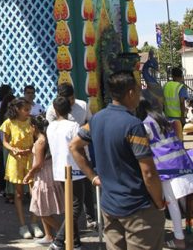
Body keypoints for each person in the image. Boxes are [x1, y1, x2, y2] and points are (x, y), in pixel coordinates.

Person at [70, 71, 165, 250]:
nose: (139, 95)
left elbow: (74, 146)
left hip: (110, 205)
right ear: (130, 93)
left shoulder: (97, 119)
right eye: (138, 91)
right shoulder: (133, 125)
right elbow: (149, 172)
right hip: (138, 208)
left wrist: (92, 177)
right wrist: (159, 202)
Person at [136, 98, 193, 249]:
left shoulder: (144, 125)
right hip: (184, 163)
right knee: (189, 205)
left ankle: (179, 239)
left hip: (167, 169)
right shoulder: (162, 119)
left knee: (172, 204)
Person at [45, 82, 96, 229]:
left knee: (86, 190)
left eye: (72, 98)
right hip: (64, 160)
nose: (71, 102)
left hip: (82, 156)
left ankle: (89, 218)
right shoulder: (52, 112)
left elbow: (90, 123)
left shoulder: (83, 106)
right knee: (73, 200)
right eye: (68, 99)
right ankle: (67, 235)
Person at [47, 96, 85, 249]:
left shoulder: (51, 126)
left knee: (70, 206)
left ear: (55, 110)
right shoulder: (73, 126)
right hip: (74, 169)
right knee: (76, 207)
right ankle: (59, 240)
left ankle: (74, 242)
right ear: (70, 108)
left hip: (59, 169)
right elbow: (80, 147)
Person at [1, 97, 39, 240]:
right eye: (26, 110)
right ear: (17, 109)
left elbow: (38, 137)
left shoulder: (32, 121)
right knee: (18, 194)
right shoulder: (9, 123)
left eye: (29, 109)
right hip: (16, 160)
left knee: (34, 192)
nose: (29, 112)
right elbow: (5, 141)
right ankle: (23, 225)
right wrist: (13, 149)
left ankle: (35, 223)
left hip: (30, 158)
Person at [23, 115, 62, 245]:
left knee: (40, 209)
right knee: (44, 207)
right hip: (49, 175)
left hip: (44, 177)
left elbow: (39, 164)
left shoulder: (40, 141)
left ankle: (65, 233)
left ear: (34, 127)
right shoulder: (45, 138)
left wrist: (29, 174)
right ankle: (49, 235)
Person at [0, 84, 14, 197]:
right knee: (2, 164)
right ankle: (2, 187)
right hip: (3, 139)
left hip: (8, 140)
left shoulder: (10, 107)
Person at [163, 67, 189, 139]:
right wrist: (183, 117)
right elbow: (181, 103)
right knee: (178, 138)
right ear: (181, 76)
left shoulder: (166, 86)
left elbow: (161, 101)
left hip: (167, 116)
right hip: (177, 118)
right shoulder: (181, 87)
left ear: (172, 76)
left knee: (169, 138)